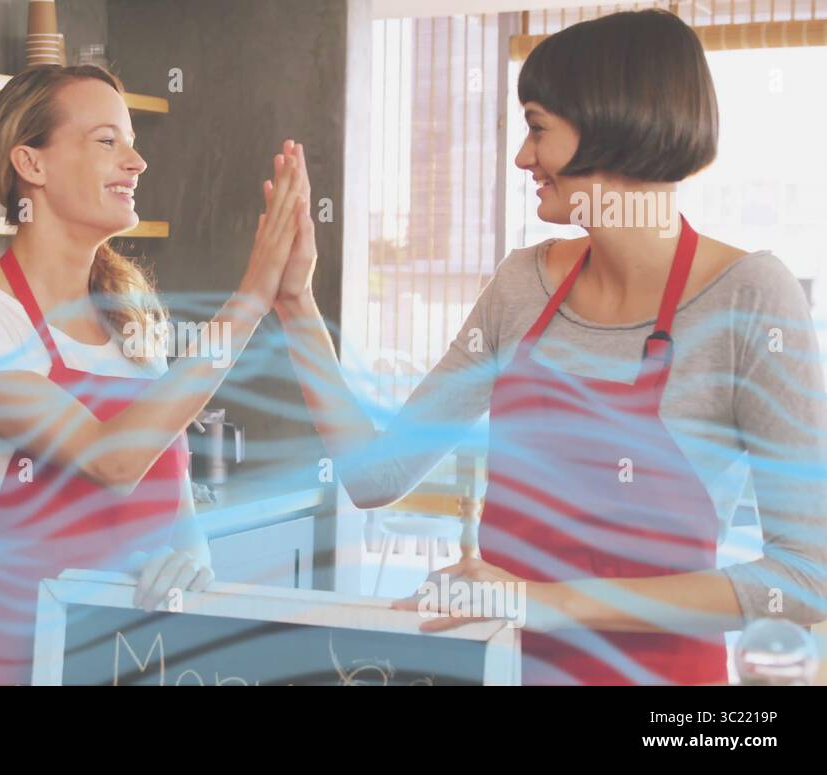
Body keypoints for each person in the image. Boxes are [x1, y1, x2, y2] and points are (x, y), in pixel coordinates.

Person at [270, 10, 827, 684]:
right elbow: (376, 475)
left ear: (612, 125)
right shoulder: (521, 287)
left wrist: (544, 602)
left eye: (537, 128)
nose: (522, 157)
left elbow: (804, 577)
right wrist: (296, 302)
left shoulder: (749, 297)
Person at [0, 64, 309, 685]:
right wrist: (253, 297)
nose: (137, 162)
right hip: (22, 664)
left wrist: (190, 557)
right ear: (31, 164)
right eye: (107, 141)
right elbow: (111, 459)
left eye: (131, 140)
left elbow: (176, 508)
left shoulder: (134, 320)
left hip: (136, 662)